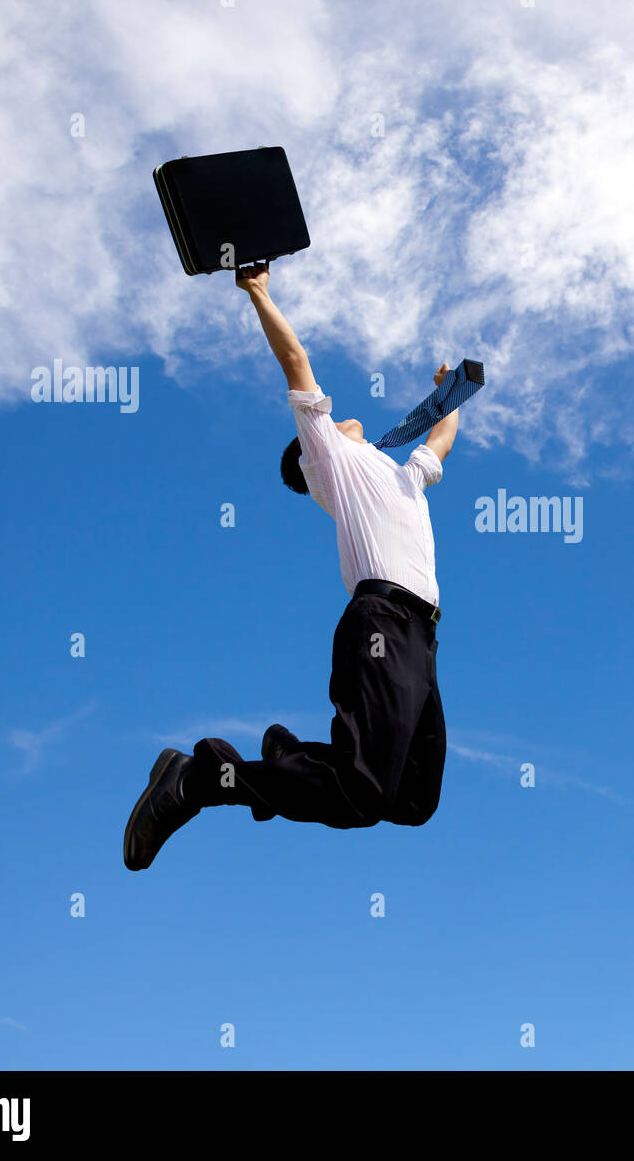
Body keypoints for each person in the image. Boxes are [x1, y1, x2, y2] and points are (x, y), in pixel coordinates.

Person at [123, 261, 456, 871]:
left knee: (412, 800)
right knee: (363, 793)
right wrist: (257, 292)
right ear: (311, 457)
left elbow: (439, 443)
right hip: (381, 619)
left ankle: (289, 759)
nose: (349, 416)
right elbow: (297, 363)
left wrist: (448, 392)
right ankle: (197, 782)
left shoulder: (398, 476)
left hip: (422, 638)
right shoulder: (331, 461)